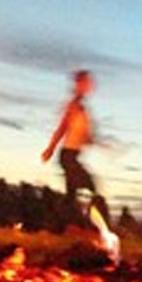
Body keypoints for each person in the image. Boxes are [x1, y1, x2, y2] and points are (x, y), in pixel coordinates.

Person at [41, 69, 111, 230]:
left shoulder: (83, 109)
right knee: (91, 188)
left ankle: (57, 227)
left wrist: (100, 143)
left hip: (72, 156)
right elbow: (62, 128)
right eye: (87, 82)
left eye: (90, 83)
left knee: (71, 196)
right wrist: (50, 149)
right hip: (68, 156)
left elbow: (85, 137)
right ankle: (95, 227)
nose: (90, 86)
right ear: (79, 85)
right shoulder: (74, 106)